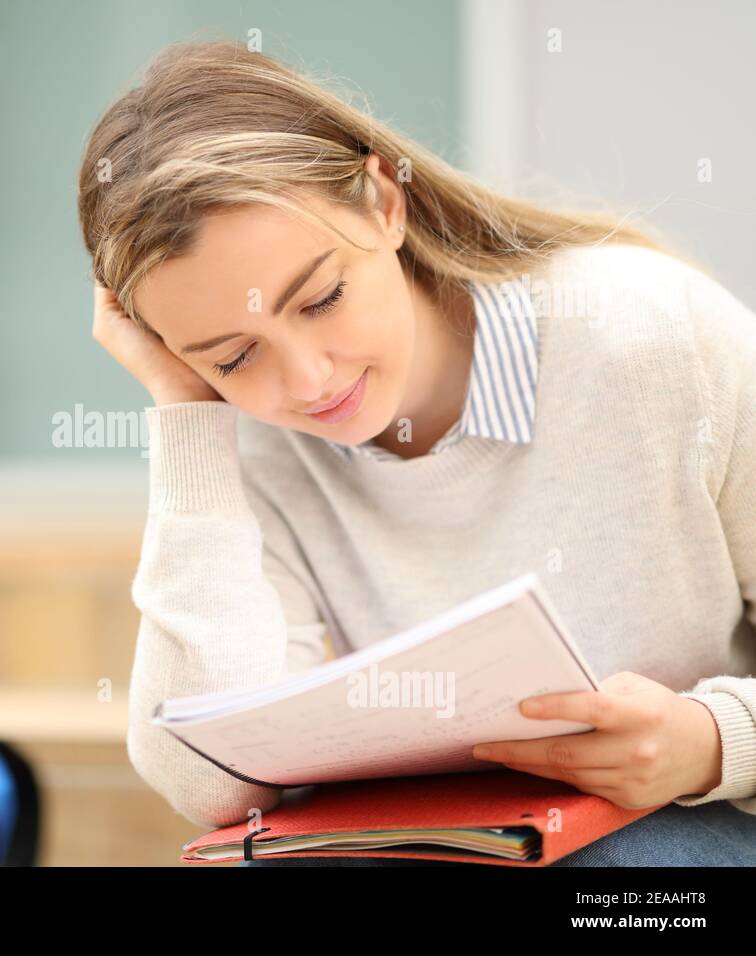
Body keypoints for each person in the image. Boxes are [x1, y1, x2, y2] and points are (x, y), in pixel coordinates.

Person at [76, 39, 756, 865]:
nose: (309, 379)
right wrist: (188, 417)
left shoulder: (652, 340)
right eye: (233, 356)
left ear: (383, 202)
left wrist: (713, 742)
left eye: (321, 299)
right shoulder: (242, 446)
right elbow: (210, 788)